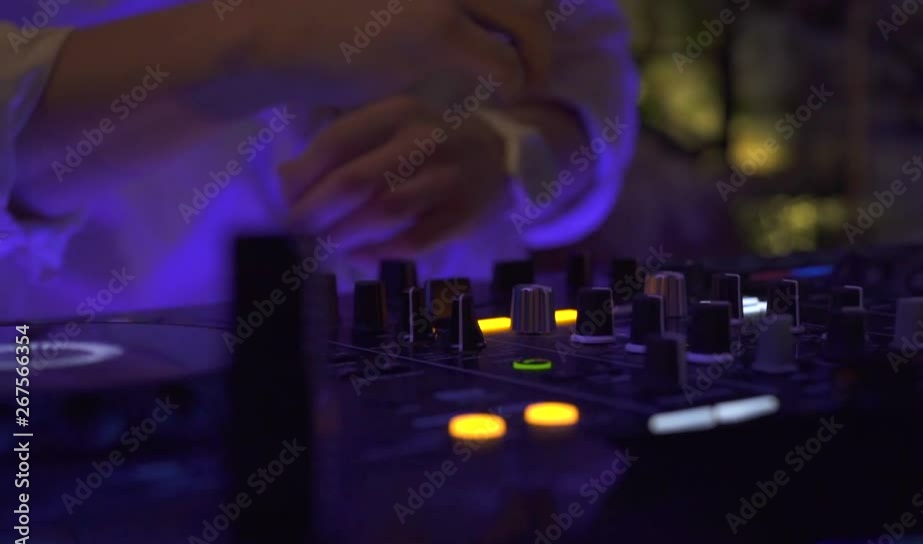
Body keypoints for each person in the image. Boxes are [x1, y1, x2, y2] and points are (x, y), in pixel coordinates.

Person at [0, 0, 637, 321]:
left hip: (438, 405)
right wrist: (268, 43)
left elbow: (588, 77)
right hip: (89, 430)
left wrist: (512, 156)